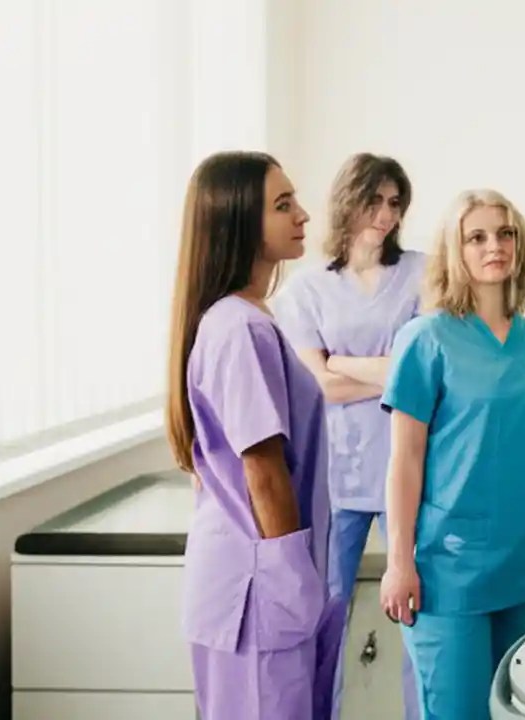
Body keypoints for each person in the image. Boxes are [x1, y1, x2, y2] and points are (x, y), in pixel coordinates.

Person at [166, 151, 341, 720]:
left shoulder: (242, 319)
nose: (303, 215)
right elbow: (262, 470)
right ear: (240, 219)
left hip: (247, 585)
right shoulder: (240, 328)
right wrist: (294, 582)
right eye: (283, 205)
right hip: (259, 592)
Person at [378, 189, 525, 719]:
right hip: (448, 567)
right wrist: (399, 563)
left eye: (504, 234)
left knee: (513, 712)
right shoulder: (425, 339)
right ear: (454, 251)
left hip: (518, 559)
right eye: (476, 237)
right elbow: (405, 461)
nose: (493, 246)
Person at [273, 153, 424, 718]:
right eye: (374, 200)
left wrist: (341, 361)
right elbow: (319, 387)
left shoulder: (423, 274)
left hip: (408, 470)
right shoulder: (308, 290)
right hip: (335, 474)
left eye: (394, 203)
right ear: (347, 201)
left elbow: (423, 374)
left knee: (419, 614)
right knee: (325, 617)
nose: (385, 214)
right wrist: (386, 374)